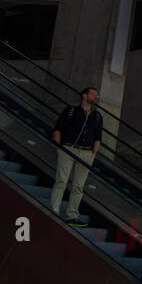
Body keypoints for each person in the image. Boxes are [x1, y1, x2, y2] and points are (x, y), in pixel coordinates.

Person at [50, 86, 103, 225]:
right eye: (93, 94)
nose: (95, 97)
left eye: (96, 95)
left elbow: (98, 136)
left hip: (86, 152)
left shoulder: (97, 116)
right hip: (68, 148)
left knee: (79, 186)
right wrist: (58, 148)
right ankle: (54, 208)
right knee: (62, 180)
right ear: (84, 95)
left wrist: (93, 153)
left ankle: (72, 215)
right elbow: (58, 129)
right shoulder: (71, 111)